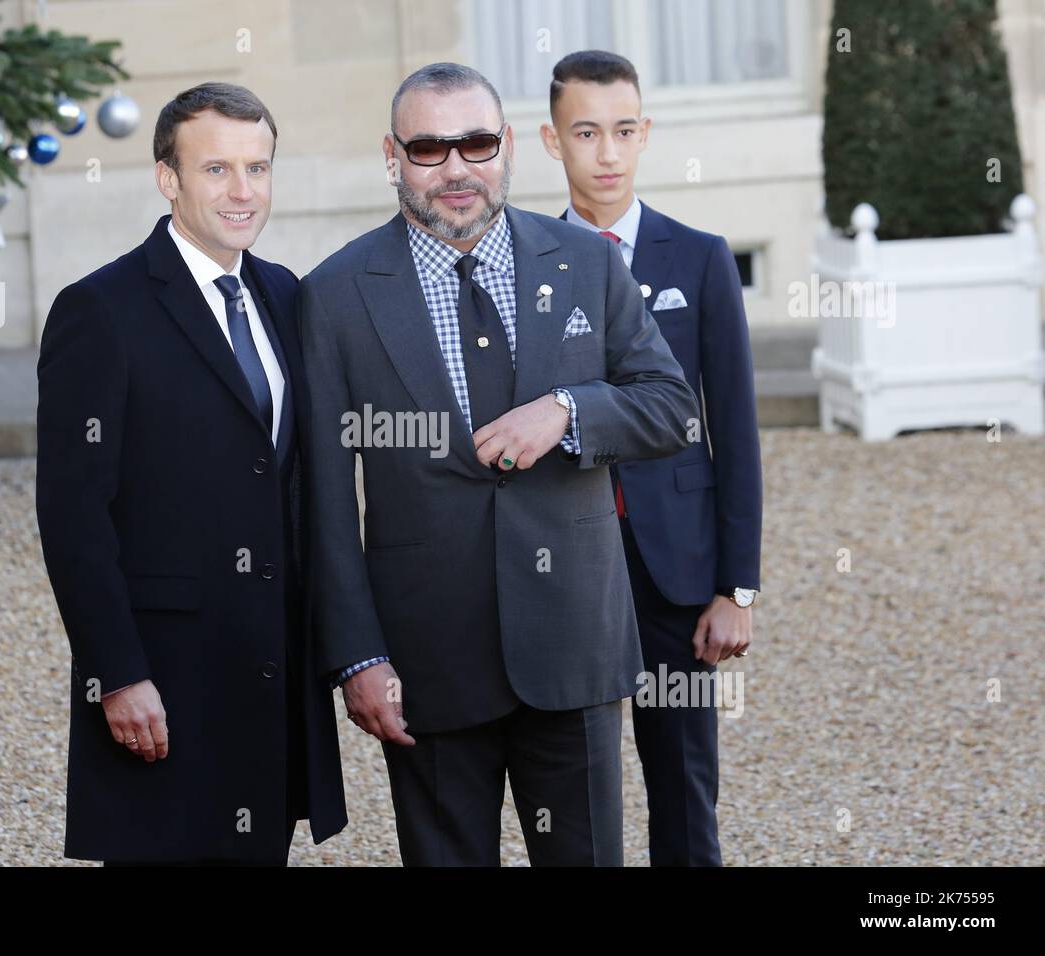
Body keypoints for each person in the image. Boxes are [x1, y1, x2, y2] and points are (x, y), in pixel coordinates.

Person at [300, 62, 698, 866]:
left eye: (476, 143)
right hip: (426, 659)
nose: (455, 168)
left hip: (574, 645)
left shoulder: (585, 261)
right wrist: (358, 657)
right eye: (429, 147)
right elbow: (325, 501)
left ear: (509, 146)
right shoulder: (336, 293)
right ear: (392, 156)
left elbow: (671, 406)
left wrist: (569, 410)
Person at [35, 82, 346, 866]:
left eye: (258, 168)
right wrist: (118, 674)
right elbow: (73, 516)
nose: (243, 191)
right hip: (166, 682)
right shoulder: (99, 311)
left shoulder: (283, 293)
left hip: (268, 674)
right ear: (168, 178)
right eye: (217, 170)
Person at [542, 50, 763, 866]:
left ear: (646, 135)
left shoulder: (698, 257)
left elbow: (733, 429)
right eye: (586, 132)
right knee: (574, 784)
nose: (606, 152)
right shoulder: (522, 261)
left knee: (682, 780)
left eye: (623, 131)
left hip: (677, 567)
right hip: (565, 560)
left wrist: (735, 586)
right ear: (551, 140)